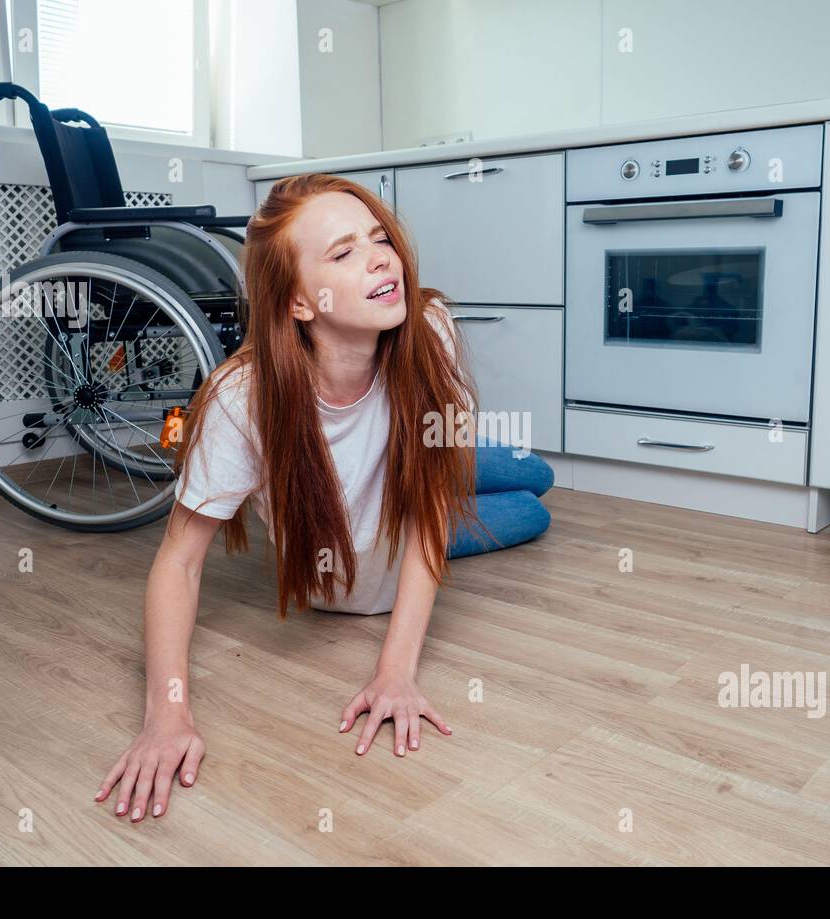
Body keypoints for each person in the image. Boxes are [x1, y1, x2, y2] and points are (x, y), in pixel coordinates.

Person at [95, 173, 554, 823]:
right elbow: (178, 561)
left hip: (413, 491)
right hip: (357, 567)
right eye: (343, 253)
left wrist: (397, 670)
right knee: (534, 504)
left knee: (532, 471)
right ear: (299, 304)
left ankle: (477, 471)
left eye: (379, 238)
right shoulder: (243, 401)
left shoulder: (427, 325)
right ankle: (481, 480)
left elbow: (425, 501)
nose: (380, 258)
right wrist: (166, 715)